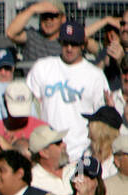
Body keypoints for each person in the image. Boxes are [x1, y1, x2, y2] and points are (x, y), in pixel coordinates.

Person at [26, 22, 112, 166]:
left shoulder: (95, 75)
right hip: (48, 152)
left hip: (82, 153)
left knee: (79, 185)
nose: (69, 48)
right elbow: (30, 107)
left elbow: (101, 118)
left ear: (83, 45)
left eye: (74, 44)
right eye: (66, 43)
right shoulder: (43, 67)